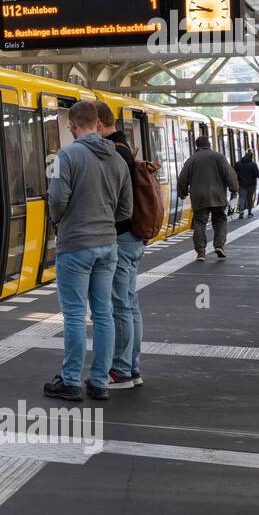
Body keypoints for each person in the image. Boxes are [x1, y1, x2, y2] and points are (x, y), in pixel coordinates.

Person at [44, 100, 132, 402]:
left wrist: (61, 220)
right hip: (108, 245)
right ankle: (99, 382)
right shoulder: (119, 159)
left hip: (76, 245)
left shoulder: (66, 155)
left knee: (74, 315)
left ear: (72, 125)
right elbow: (126, 209)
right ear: (98, 124)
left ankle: (70, 380)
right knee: (104, 313)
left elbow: (56, 198)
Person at [95, 103, 145, 390]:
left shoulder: (114, 152)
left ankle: (122, 370)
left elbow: (116, 201)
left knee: (119, 306)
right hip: (133, 237)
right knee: (129, 304)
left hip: (122, 237)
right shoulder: (125, 147)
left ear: (99, 125)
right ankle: (132, 367)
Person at [178, 135, 239, 261]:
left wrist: (182, 192)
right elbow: (230, 174)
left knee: (200, 222)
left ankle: (201, 251)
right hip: (218, 196)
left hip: (199, 197)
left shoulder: (192, 159)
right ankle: (219, 245)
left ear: (197, 146)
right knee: (220, 220)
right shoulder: (218, 157)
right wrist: (234, 189)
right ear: (209, 145)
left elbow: (182, 178)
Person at [233, 149, 259, 219]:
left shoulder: (238, 164)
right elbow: (258, 175)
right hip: (251, 185)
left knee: (242, 198)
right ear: (251, 157)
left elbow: (233, 173)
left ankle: (241, 212)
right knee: (249, 198)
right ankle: (249, 213)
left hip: (241, 184)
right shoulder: (253, 165)